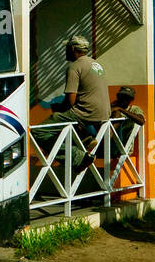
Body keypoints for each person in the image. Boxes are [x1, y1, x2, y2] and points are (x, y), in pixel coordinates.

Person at [47, 35, 110, 170]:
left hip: (86, 114)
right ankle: (85, 137)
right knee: (67, 118)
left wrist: (57, 109)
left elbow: (70, 101)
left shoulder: (74, 67)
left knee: (41, 131)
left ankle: (77, 157)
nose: (65, 50)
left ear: (72, 48)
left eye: (67, 48)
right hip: (104, 114)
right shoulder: (96, 64)